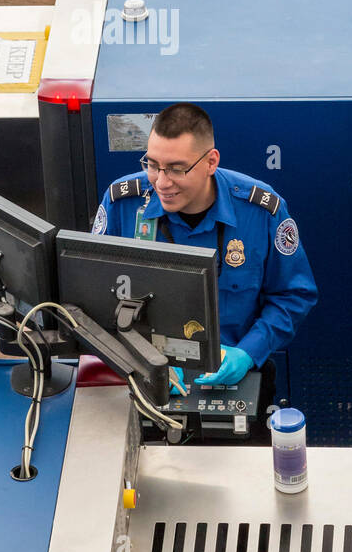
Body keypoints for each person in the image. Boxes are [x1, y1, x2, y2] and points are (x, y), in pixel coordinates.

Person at [92, 102, 317, 436]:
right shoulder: (123, 202)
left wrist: (247, 352)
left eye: (176, 168)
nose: (161, 182)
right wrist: (141, 359)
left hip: (237, 379)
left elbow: (293, 295)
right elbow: (93, 301)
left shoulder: (262, 210)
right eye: (152, 165)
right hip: (147, 384)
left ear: (211, 161)